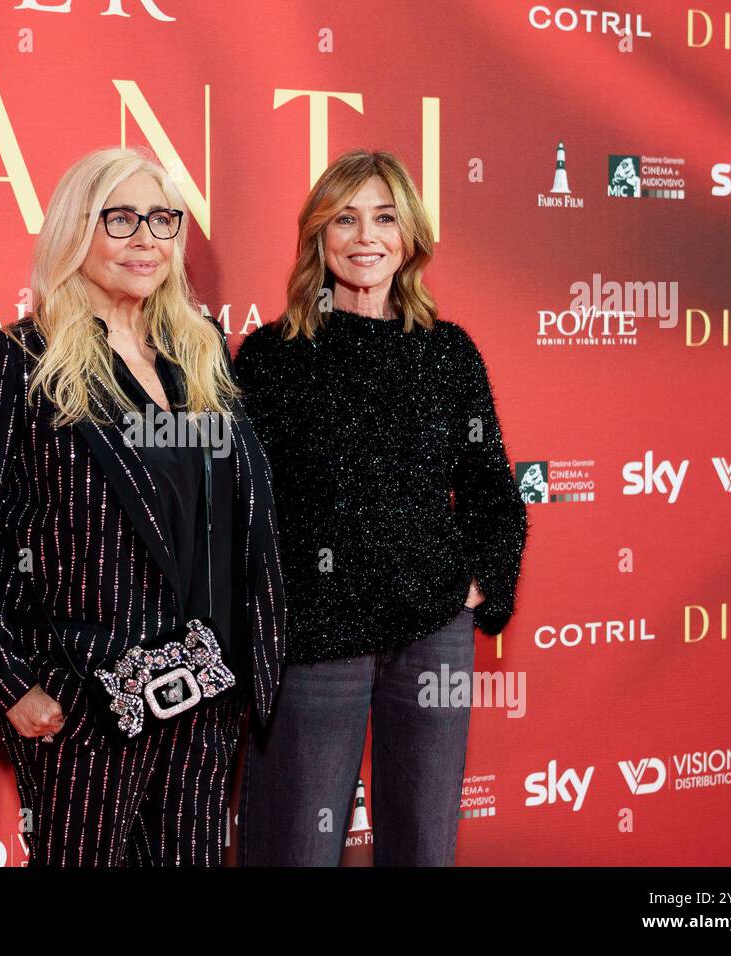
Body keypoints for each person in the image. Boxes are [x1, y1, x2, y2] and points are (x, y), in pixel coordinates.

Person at [0, 147, 285, 867]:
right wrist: (9, 681)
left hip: (204, 689)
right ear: (75, 232)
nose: (147, 238)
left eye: (163, 219)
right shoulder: (16, 364)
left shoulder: (201, 355)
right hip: (89, 698)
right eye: (121, 218)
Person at [234, 148, 527, 866]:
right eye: (346, 218)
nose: (366, 236)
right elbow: (240, 509)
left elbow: (492, 489)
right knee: (294, 845)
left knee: (425, 842)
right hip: (314, 642)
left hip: (432, 633)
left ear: (410, 236)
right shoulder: (272, 358)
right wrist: (269, 618)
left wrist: (477, 585)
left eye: (384, 218)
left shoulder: (449, 353)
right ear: (319, 238)